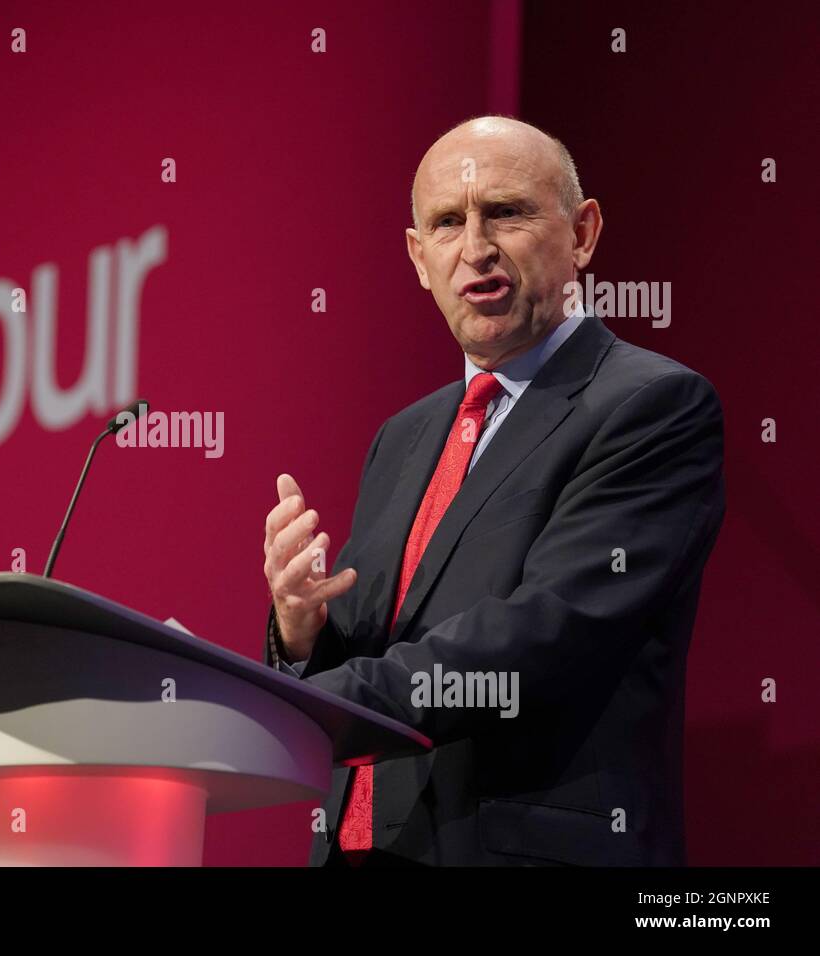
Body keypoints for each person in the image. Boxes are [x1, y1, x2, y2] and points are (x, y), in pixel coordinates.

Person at [262, 116, 725, 866]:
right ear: (418, 257)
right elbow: (375, 643)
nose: (475, 249)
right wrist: (299, 633)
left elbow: (542, 637)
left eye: (505, 213)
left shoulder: (652, 406)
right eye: (447, 223)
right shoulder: (405, 436)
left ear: (582, 233)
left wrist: (312, 705)